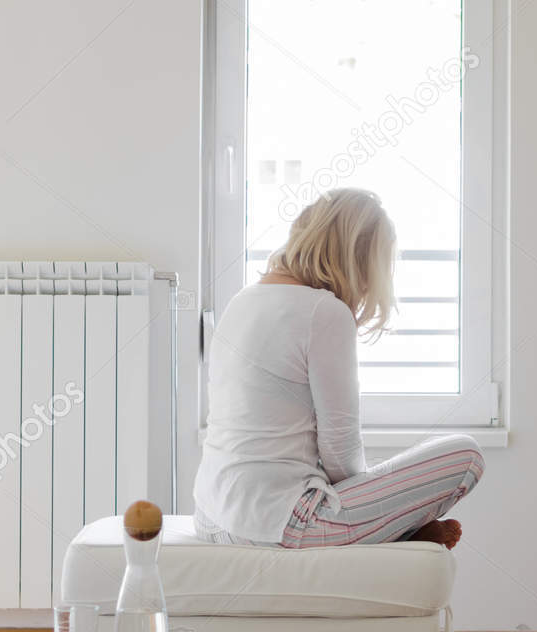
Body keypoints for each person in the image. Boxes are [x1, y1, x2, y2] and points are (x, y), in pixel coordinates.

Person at [193, 188, 484, 549]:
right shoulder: (324, 311)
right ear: (356, 258)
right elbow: (340, 452)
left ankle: (394, 529)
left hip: (211, 516)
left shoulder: (242, 300)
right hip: (281, 522)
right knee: (466, 454)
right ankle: (400, 531)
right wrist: (378, 500)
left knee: (374, 474)